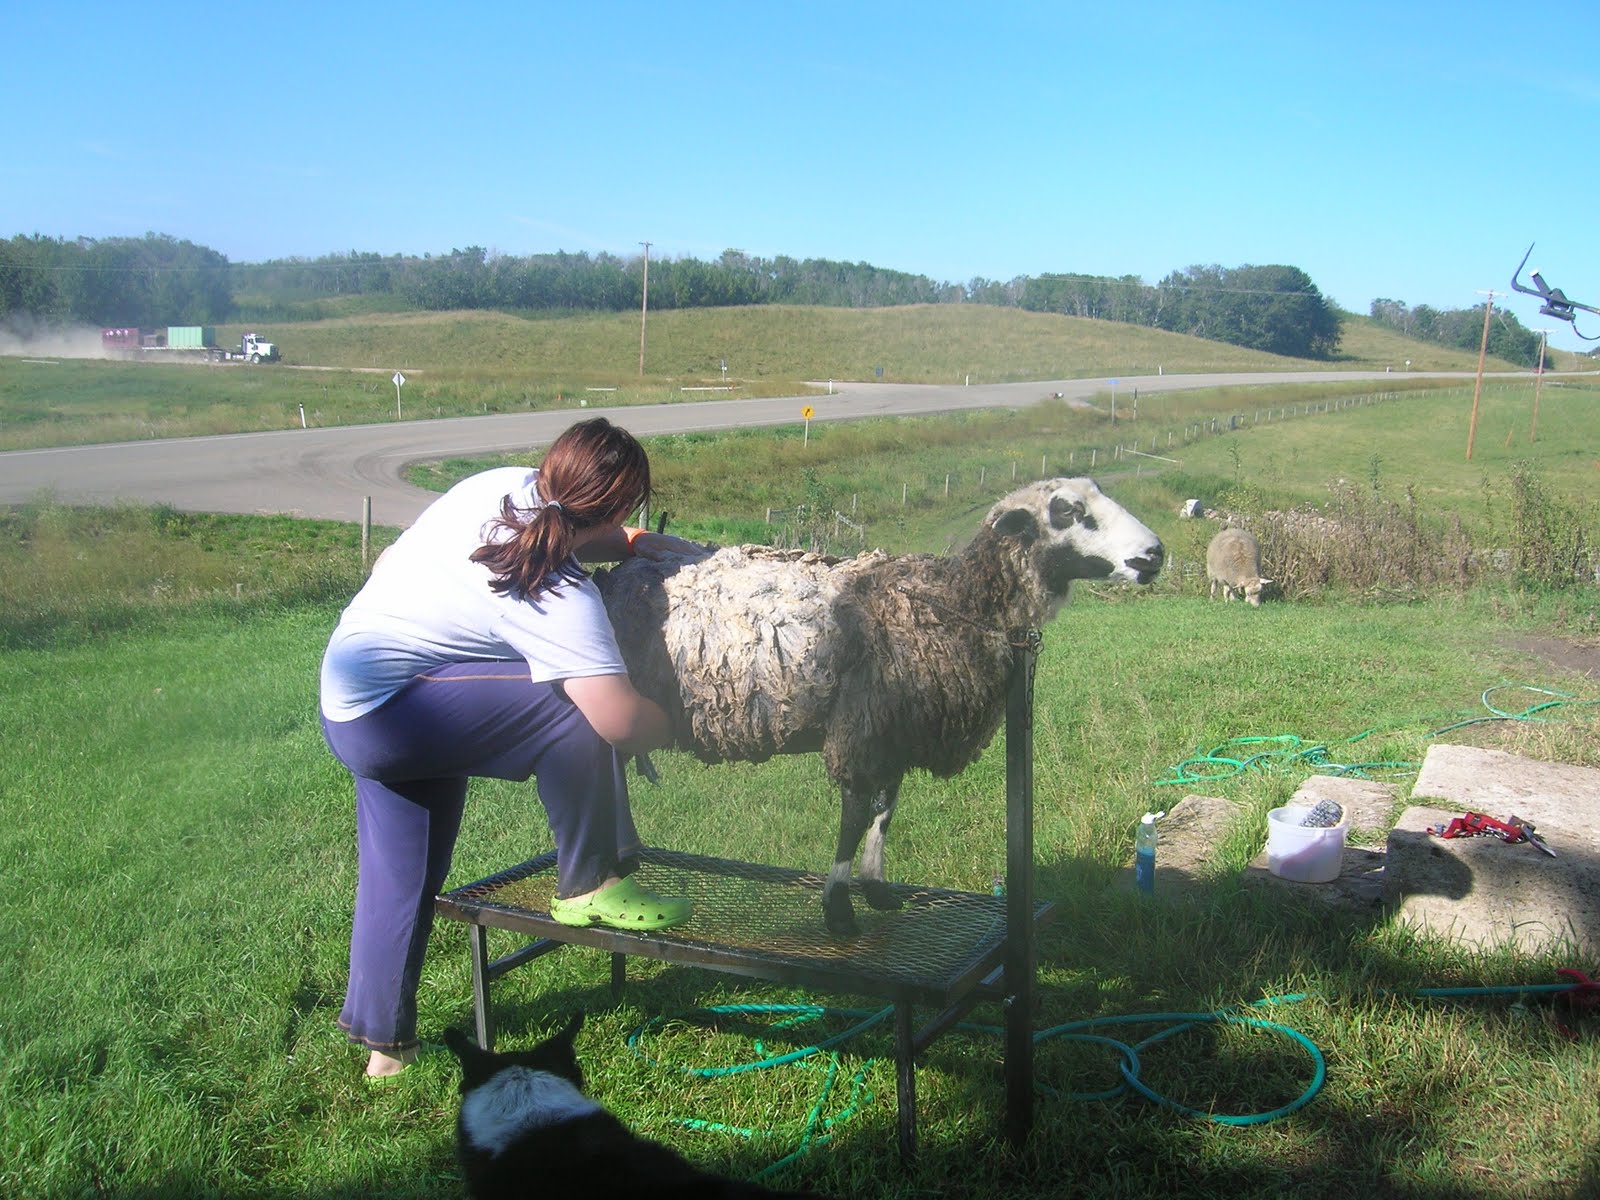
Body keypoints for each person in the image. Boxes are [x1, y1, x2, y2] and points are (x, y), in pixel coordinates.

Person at [318, 417, 700, 1077]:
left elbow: (396, 562)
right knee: (570, 709)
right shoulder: (560, 591)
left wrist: (634, 542)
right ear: (616, 502)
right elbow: (616, 722)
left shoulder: (501, 491)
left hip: (352, 699)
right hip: (396, 709)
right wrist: (689, 719)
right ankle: (591, 882)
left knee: (400, 873)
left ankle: (387, 1050)